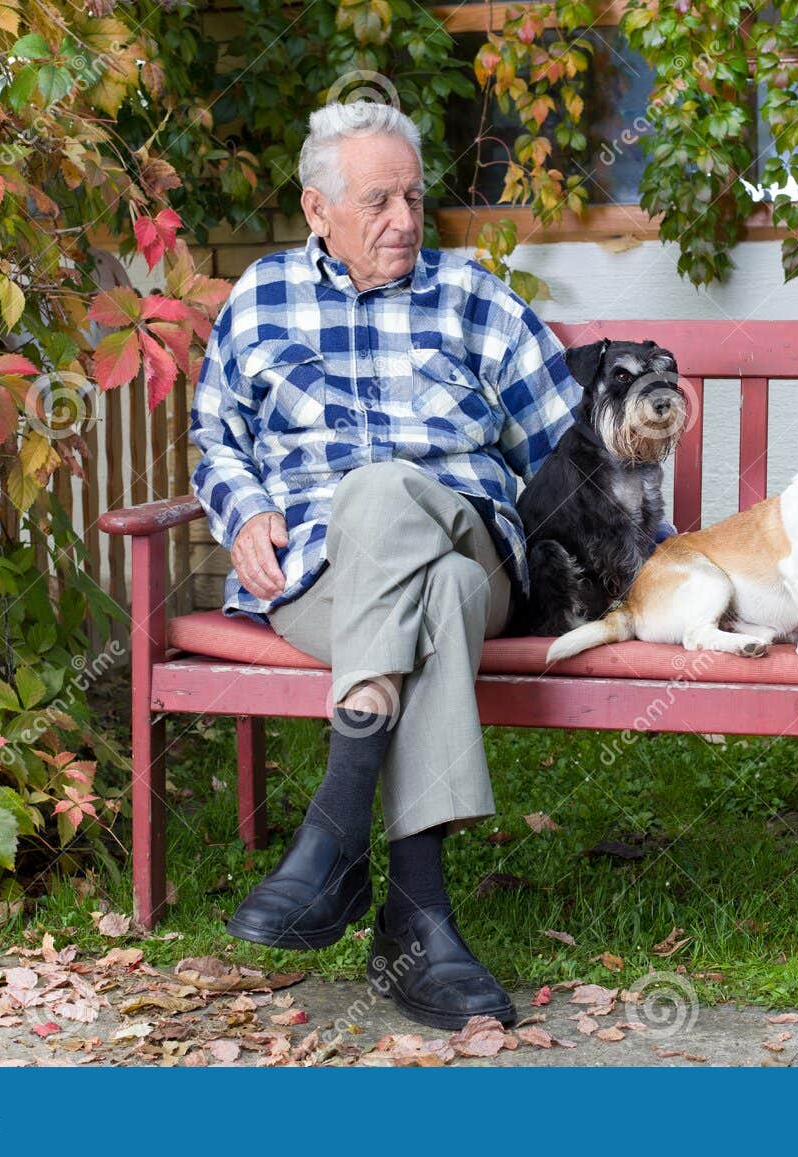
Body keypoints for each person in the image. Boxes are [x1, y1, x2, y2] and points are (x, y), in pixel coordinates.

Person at [189, 100, 581, 1030]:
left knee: (385, 494)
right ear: (317, 207)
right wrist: (243, 509)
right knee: (426, 589)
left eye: (412, 197)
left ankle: (334, 828)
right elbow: (214, 436)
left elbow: (568, 449)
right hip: (316, 579)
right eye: (377, 201)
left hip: (472, 546)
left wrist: (614, 572)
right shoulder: (262, 297)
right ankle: (418, 922)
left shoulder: (475, 295)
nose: (403, 220)